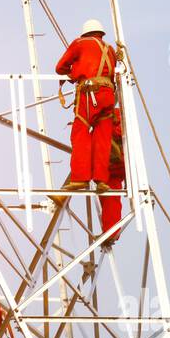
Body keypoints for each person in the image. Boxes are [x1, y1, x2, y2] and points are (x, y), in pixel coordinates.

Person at [55, 18, 118, 193]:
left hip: (91, 94)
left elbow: (59, 67)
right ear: (101, 33)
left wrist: (75, 71)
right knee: (103, 139)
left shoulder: (80, 44)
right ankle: (101, 180)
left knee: (80, 133)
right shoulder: (111, 50)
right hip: (108, 95)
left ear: (85, 33)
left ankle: (80, 178)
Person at [99, 108, 124, 250]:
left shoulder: (116, 117)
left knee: (110, 198)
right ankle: (111, 232)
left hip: (112, 164)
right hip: (112, 165)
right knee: (110, 199)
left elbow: (118, 132)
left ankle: (111, 232)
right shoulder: (117, 116)